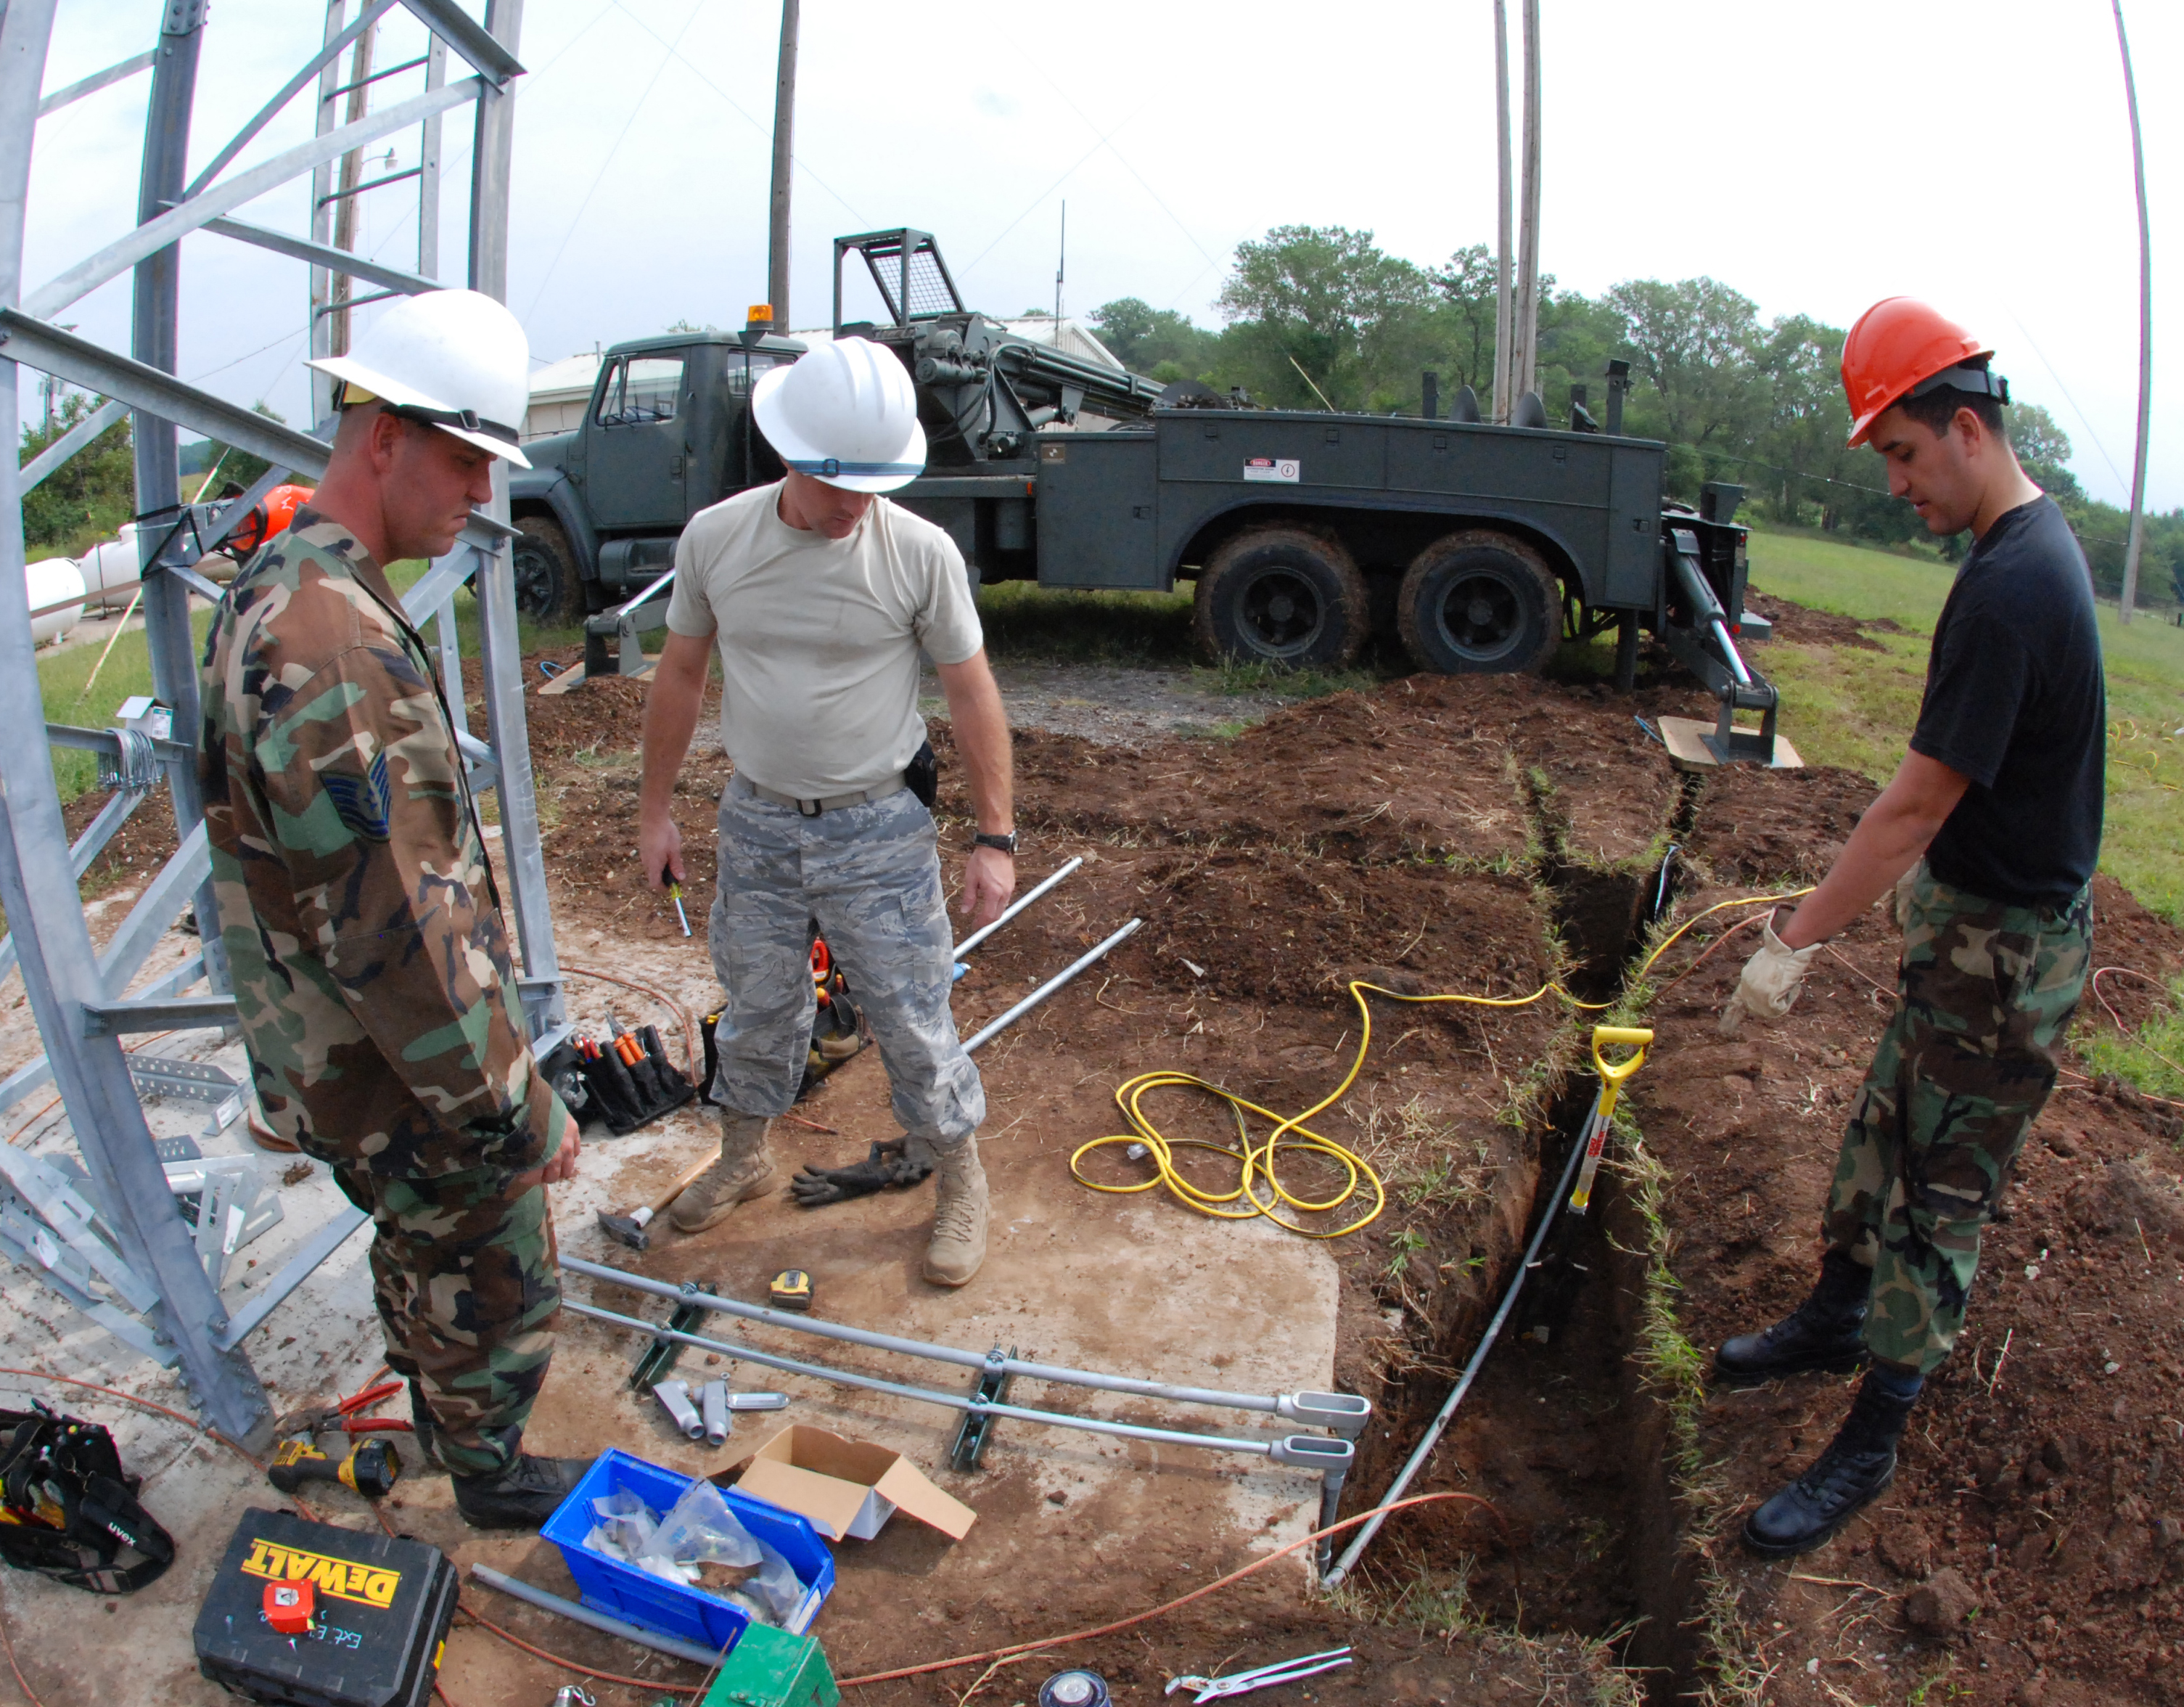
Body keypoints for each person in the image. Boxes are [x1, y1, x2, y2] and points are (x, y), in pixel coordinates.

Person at [1714, 298, 2105, 1557]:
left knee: (1941, 1195)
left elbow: (1912, 805)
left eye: (1901, 454)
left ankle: (1870, 1440)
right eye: (1885, 459)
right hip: (1968, 939)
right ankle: (1835, 1315)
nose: (1895, 485)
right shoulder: (2015, 558)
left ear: (1969, 428)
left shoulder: (2011, 591)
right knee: (1884, 1124)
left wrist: (1796, 940)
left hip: (2008, 958)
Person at [200, 289, 588, 1529]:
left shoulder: (282, 586)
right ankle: (488, 1474)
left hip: (334, 1058)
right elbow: (400, 938)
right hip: (398, 1069)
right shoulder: (335, 643)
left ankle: (444, 1425)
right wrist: (516, 1107)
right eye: (466, 458)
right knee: (497, 1263)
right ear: (383, 436)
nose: (480, 493)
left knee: (420, 1246)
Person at [637, 335, 1017, 1285]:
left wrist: (994, 837)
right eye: (838, 482)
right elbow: (680, 673)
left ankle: (957, 1173)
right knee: (760, 1006)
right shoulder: (717, 539)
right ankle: (744, 1157)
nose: (857, 504)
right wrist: (655, 813)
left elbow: (972, 695)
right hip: (757, 819)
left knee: (907, 1010)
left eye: (874, 484)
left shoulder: (917, 553)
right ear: (790, 454)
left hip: (877, 824)